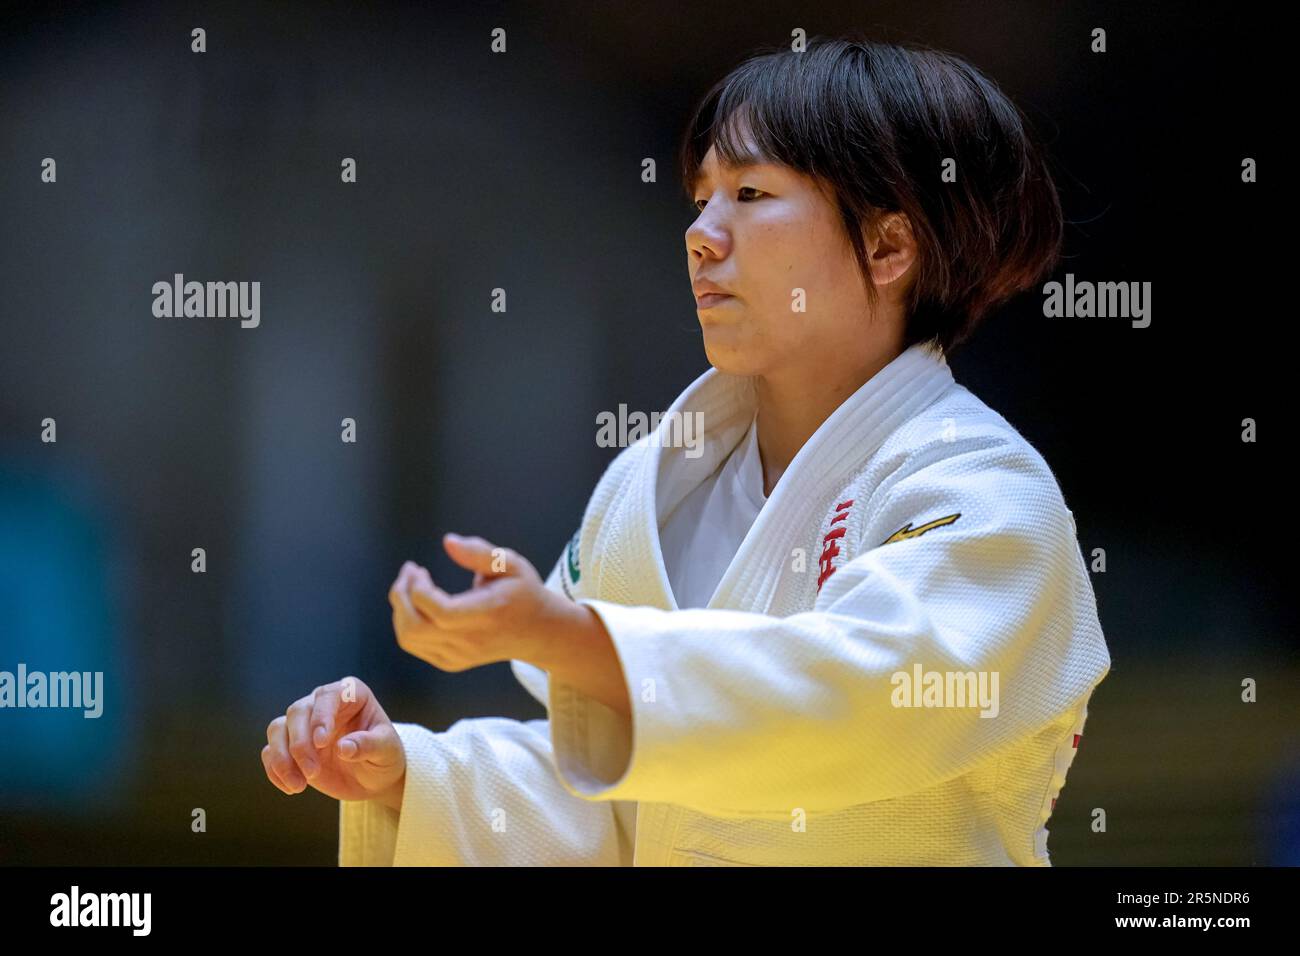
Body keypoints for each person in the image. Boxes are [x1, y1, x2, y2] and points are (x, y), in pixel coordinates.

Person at [261, 36, 1111, 866]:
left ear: (887, 246)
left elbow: (852, 706)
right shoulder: (657, 484)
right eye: (701, 197)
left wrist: (574, 637)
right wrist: (413, 774)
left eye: (749, 192)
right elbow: (628, 807)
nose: (701, 234)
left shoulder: (984, 487)